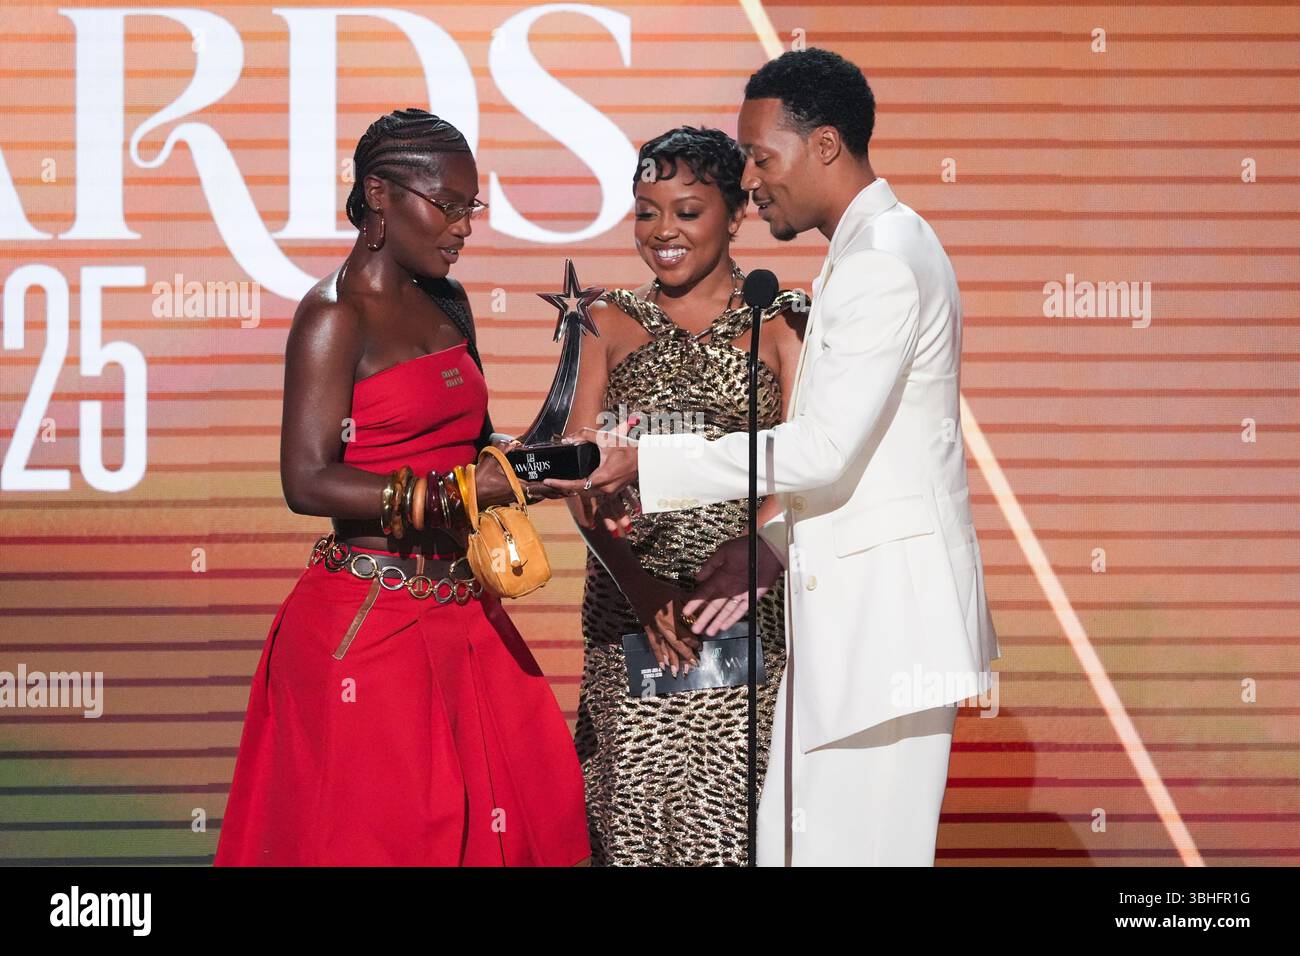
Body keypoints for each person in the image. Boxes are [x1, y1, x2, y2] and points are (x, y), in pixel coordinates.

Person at [547, 50, 1000, 866]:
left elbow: (823, 449)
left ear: (824, 145)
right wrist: (763, 550)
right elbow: (865, 462)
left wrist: (648, 462)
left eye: (761, 157)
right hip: (844, 630)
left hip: (880, 633)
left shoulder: (881, 263)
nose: (752, 180)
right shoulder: (871, 251)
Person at [215, 108, 590, 867]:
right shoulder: (334, 315)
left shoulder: (447, 303)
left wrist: (533, 463)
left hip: (465, 615)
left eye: (470, 207)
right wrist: (455, 495)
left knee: (524, 829)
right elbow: (307, 477)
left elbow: (470, 440)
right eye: (446, 204)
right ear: (380, 194)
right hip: (366, 627)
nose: (463, 227)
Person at [561, 126, 806, 865]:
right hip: (630, 614)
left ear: (735, 214)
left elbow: (801, 463)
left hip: (744, 611)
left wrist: (751, 557)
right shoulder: (603, 321)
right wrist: (640, 589)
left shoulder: (780, 317)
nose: (662, 231)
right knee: (630, 821)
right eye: (645, 210)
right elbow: (575, 471)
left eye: (688, 210)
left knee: (737, 824)